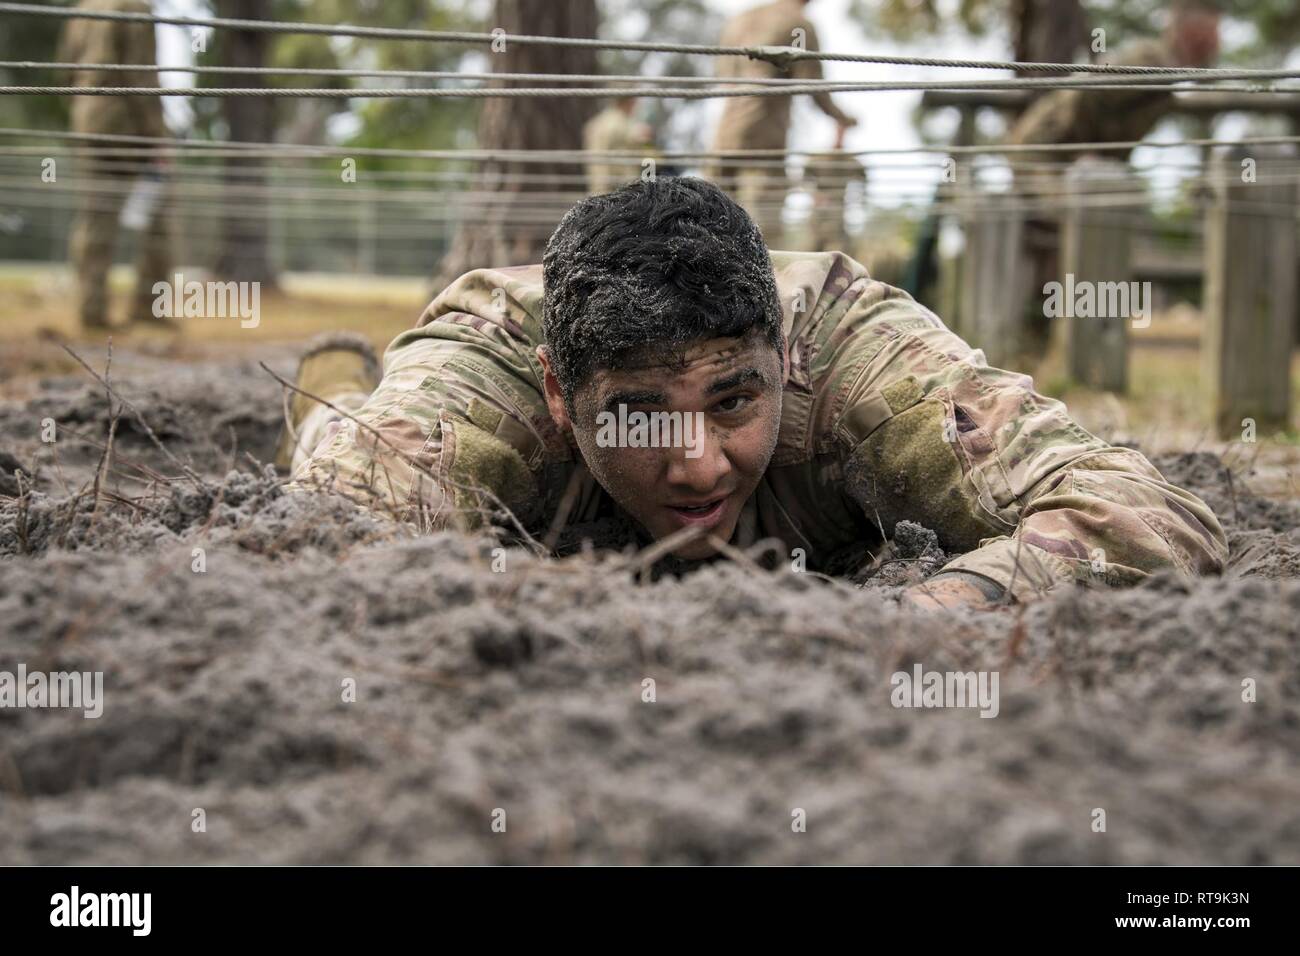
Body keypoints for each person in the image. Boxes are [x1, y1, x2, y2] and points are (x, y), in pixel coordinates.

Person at [277, 177, 1226, 611]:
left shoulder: (857, 355)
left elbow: (1143, 512)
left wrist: (937, 613)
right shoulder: (490, 379)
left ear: (786, 361)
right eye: (642, 413)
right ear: (562, 397)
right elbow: (332, 537)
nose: (698, 463)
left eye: (734, 402)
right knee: (334, 429)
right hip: (469, 373)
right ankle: (333, 377)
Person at [60, 0, 174, 330]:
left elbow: (67, 70)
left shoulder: (82, 9)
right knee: (159, 212)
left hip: (88, 120)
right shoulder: (134, 7)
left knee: (96, 216)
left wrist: (83, 107)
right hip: (127, 125)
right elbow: (140, 74)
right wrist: (156, 135)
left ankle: (91, 310)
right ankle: (149, 307)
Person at [706, 0, 858, 245]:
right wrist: (843, 117)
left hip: (725, 135)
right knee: (762, 233)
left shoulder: (740, 19)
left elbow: (724, 76)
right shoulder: (799, 24)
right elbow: (814, 87)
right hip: (766, 138)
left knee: (711, 220)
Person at [583, 94, 653, 196]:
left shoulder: (598, 122)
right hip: (620, 186)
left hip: (603, 185)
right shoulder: (620, 123)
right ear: (629, 102)